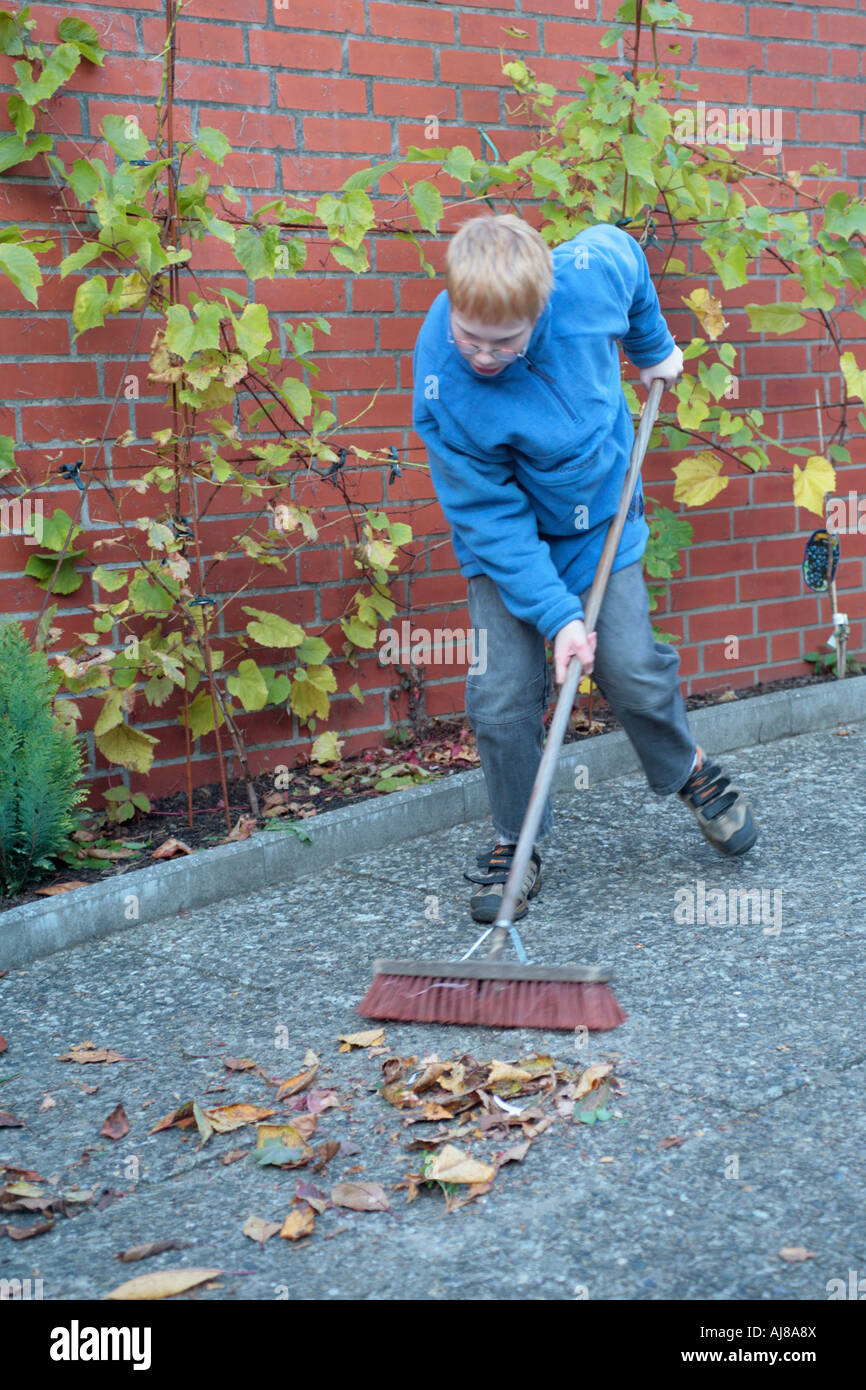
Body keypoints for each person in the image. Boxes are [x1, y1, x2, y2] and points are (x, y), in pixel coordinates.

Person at [412, 213, 757, 924]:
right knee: (501, 695)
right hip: (506, 538)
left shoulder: (586, 276)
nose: (481, 354)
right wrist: (558, 614)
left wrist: (653, 347)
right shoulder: (446, 383)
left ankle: (686, 767)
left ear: (541, 310)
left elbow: (629, 258)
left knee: (629, 667)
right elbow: (487, 514)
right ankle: (517, 839)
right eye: (468, 335)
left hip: (600, 513)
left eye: (503, 342)